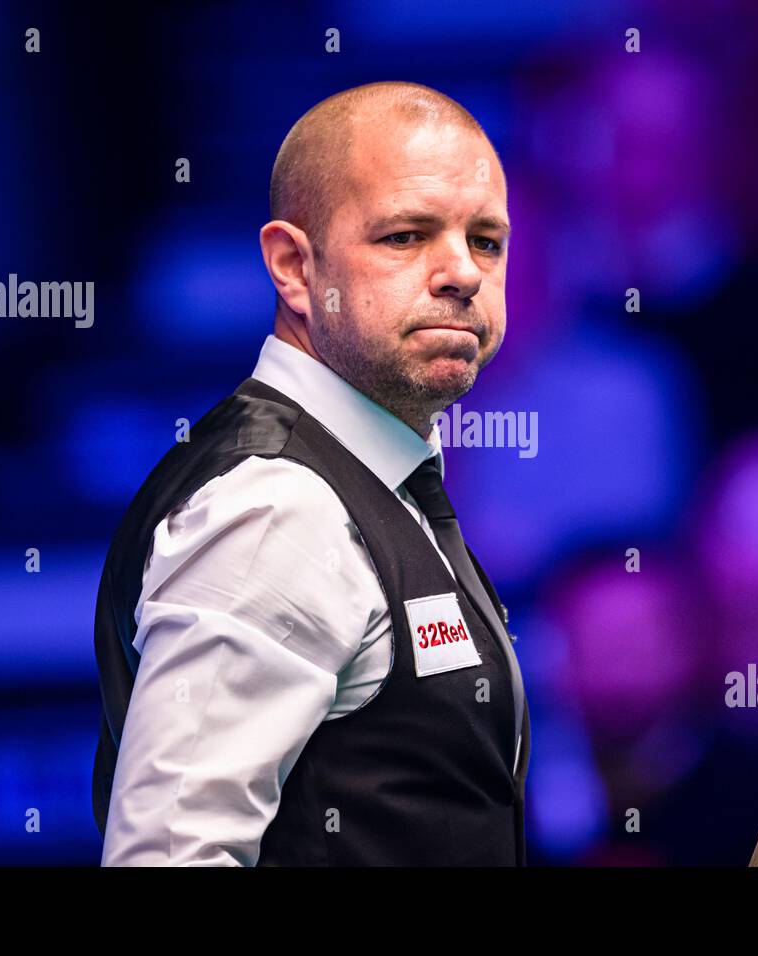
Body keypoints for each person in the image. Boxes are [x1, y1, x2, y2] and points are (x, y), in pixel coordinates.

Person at [92, 80, 528, 866]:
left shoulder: (366, 479)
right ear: (294, 266)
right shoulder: (276, 509)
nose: (462, 271)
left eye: (486, 240)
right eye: (405, 236)